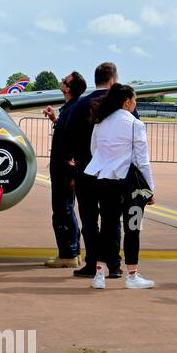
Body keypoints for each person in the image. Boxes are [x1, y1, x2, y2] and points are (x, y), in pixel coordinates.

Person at [83, 84, 156, 289]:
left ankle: (99, 275)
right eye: (134, 100)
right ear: (126, 101)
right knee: (133, 227)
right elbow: (142, 161)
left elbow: (94, 150)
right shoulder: (135, 125)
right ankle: (132, 276)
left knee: (107, 227)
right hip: (131, 184)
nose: (135, 103)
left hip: (105, 180)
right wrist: (150, 188)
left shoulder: (101, 122)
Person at [65, 62, 121, 279]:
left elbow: (69, 136)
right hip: (113, 171)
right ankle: (114, 264)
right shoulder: (122, 104)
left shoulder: (80, 105)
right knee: (112, 219)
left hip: (86, 170)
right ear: (113, 79)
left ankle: (92, 264)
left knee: (89, 219)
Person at [43, 71, 87, 267]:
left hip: (65, 168)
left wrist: (70, 163)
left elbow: (73, 139)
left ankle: (68, 255)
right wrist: (55, 120)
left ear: (68, 88)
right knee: (66, 208)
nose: (61, 82)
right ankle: (73, 252)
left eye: (64, 81)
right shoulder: (70, 108)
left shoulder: (73, 109)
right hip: (65, 166)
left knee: (62, 210)